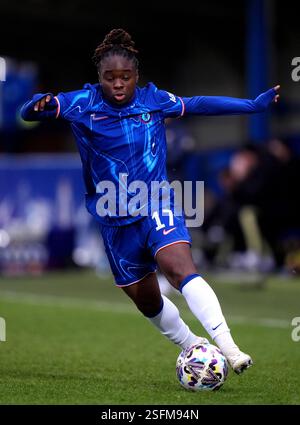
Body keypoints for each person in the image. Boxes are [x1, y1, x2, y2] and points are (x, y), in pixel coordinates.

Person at [21, 28, 280, 374]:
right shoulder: (81, 103)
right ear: (99, 77)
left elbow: (199, 104)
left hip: (155, 203)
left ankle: (229, 348)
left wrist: (251, 105)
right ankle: (193, 346)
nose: (117, 84)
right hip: (113, 218)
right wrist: (35, 102)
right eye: (109, 77)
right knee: (147, 301)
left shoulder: (153, 99)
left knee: (180, 269)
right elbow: (31, 114)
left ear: (136, 76)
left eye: (125, 77)